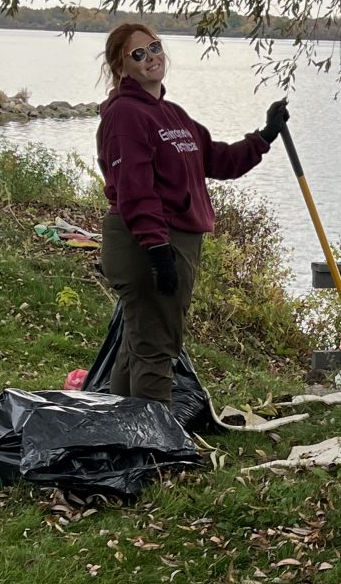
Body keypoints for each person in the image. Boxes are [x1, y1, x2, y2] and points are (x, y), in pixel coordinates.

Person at [96, 22, 289, 405]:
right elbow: (135, 189)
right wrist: (157, 249)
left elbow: (219, 160)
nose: (151, 57)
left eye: (154, 48)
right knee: (156, 345)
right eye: (138, 54)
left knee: (139, 342)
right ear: (121, 68)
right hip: (146, 241)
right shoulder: (125, 116)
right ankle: (155, 450)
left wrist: (265, 135)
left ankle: (117, 430)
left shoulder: (172, 114)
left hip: (174, 238)